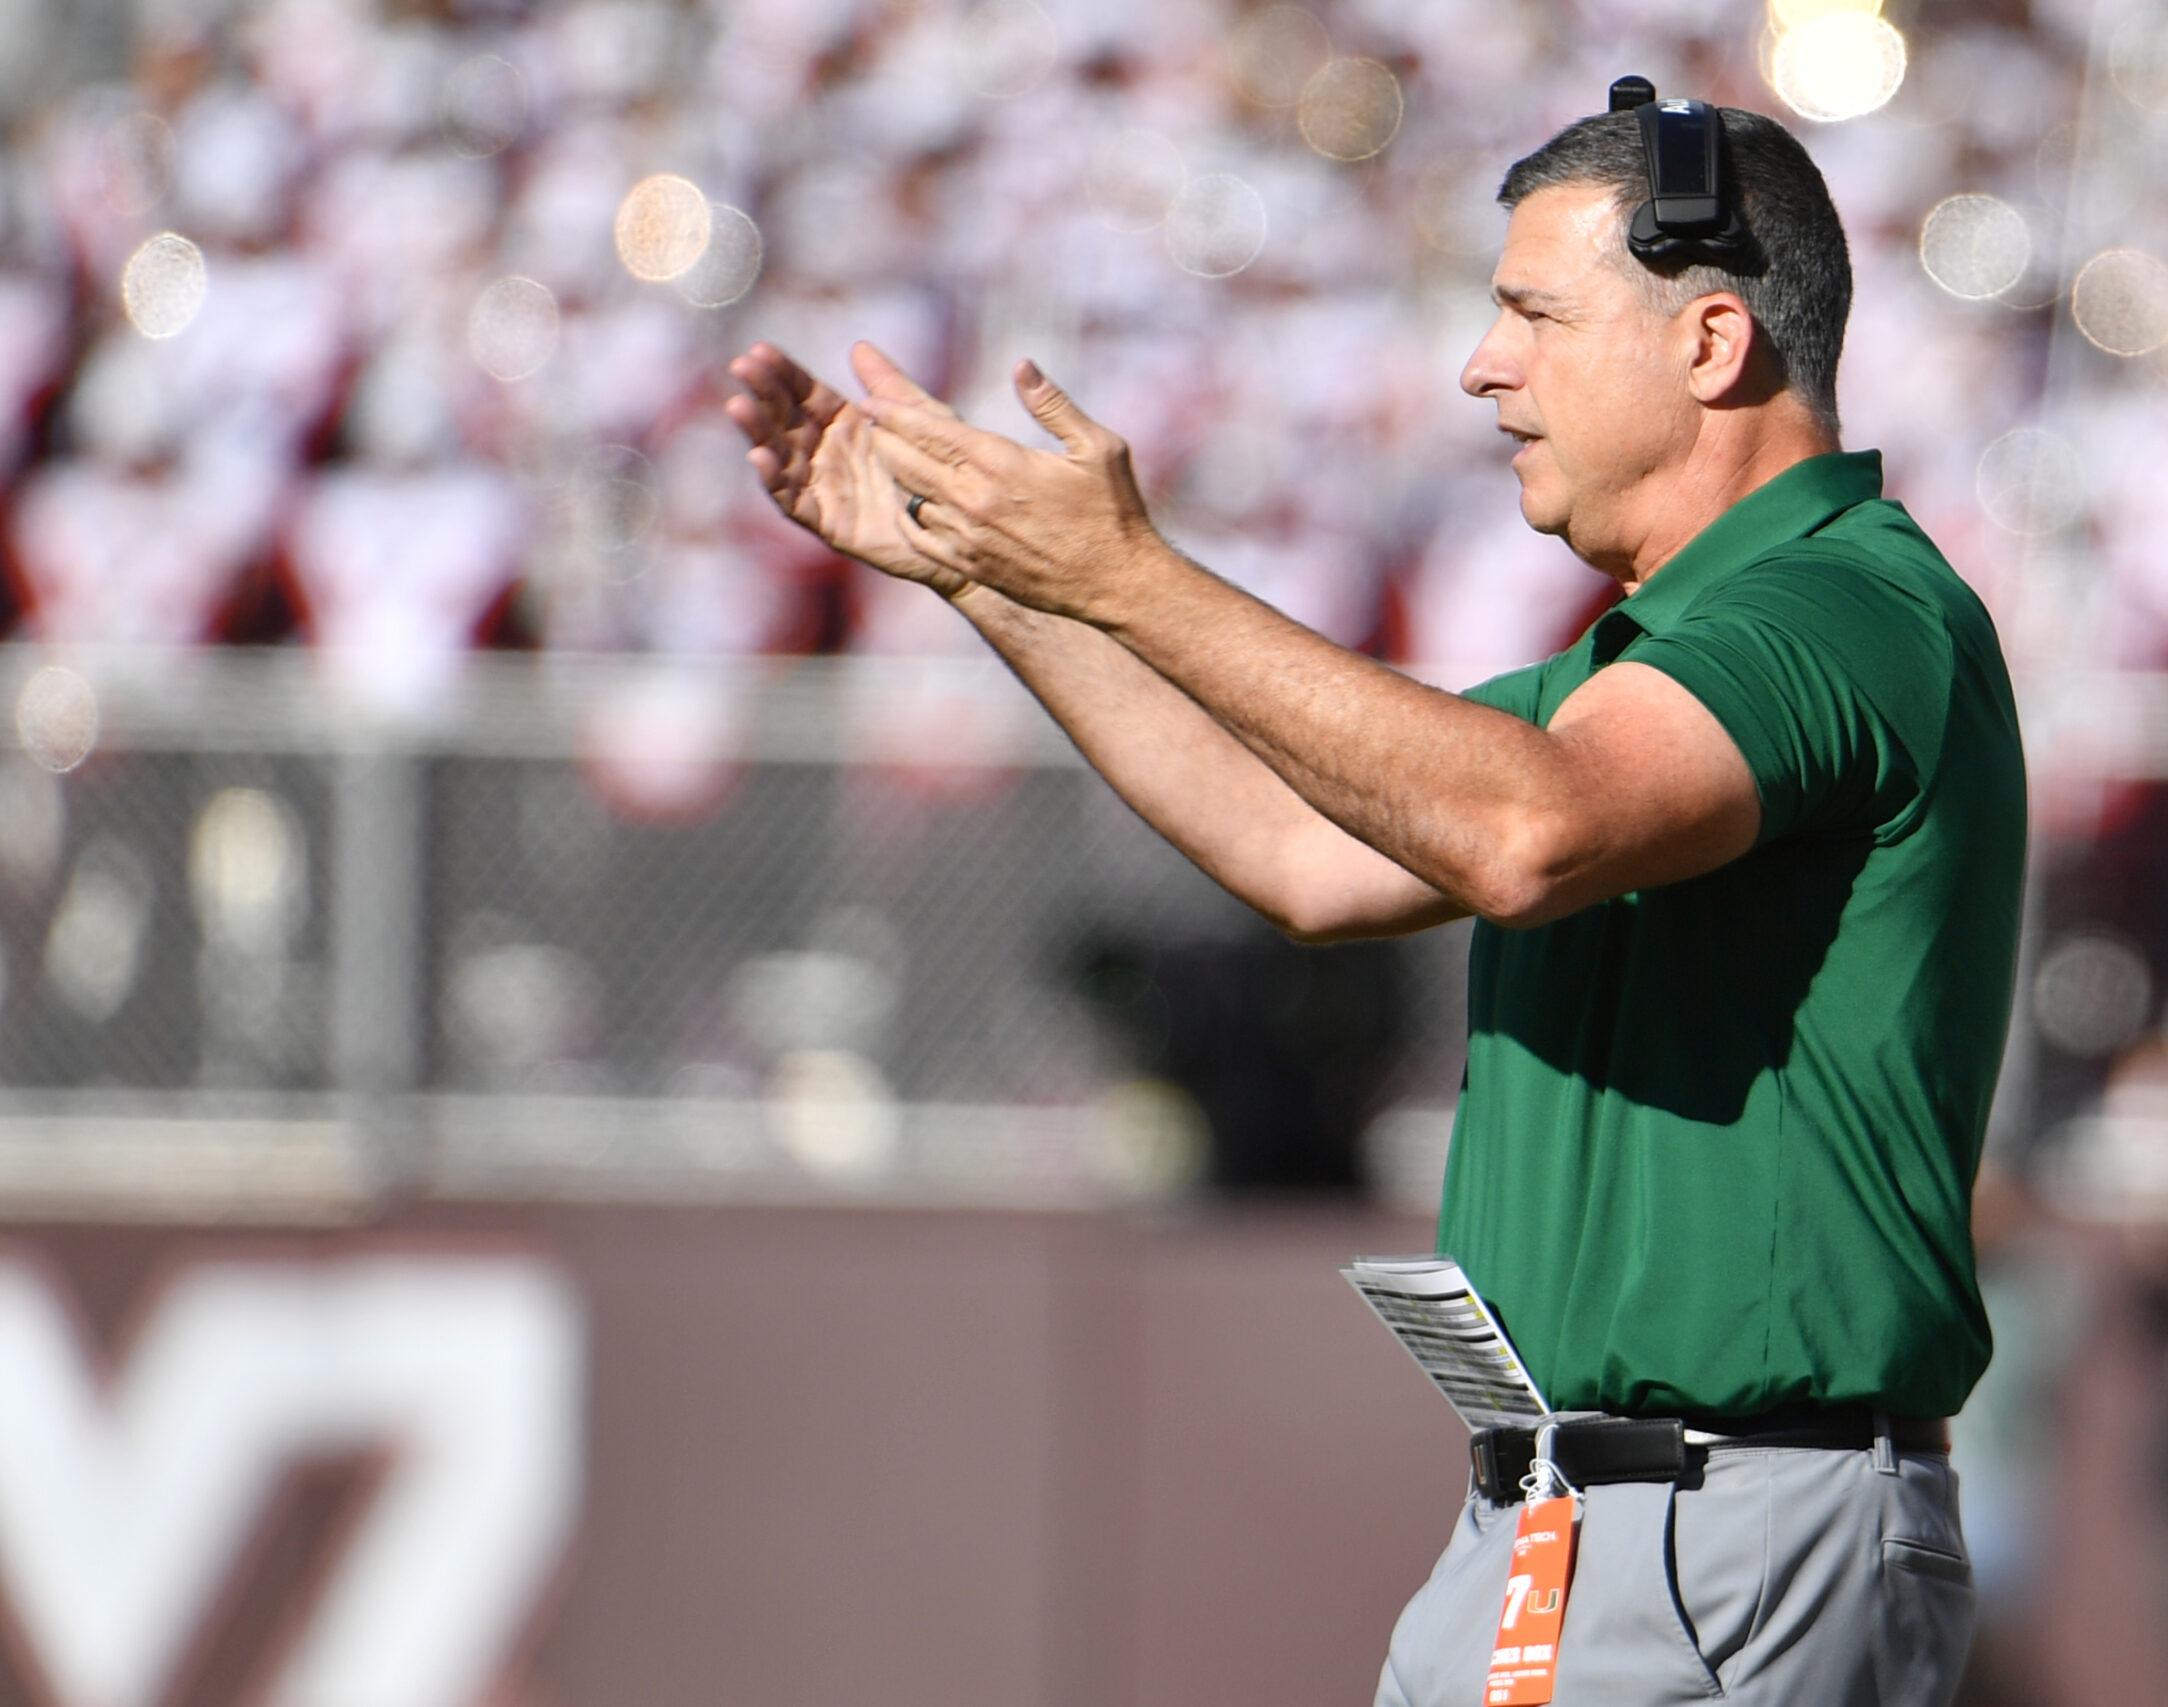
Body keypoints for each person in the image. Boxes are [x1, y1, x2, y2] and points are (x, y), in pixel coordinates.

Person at [728, 97, 2024, 1707]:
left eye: (1533, 314)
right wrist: (992, 573)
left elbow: (1520, 831)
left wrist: (1130, 572)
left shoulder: (1842, 605)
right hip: (1571, 1521)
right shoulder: (1646, 663)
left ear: (1708, 341)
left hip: (1724, 1525)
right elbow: (1302, 849)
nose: (1484, 366)